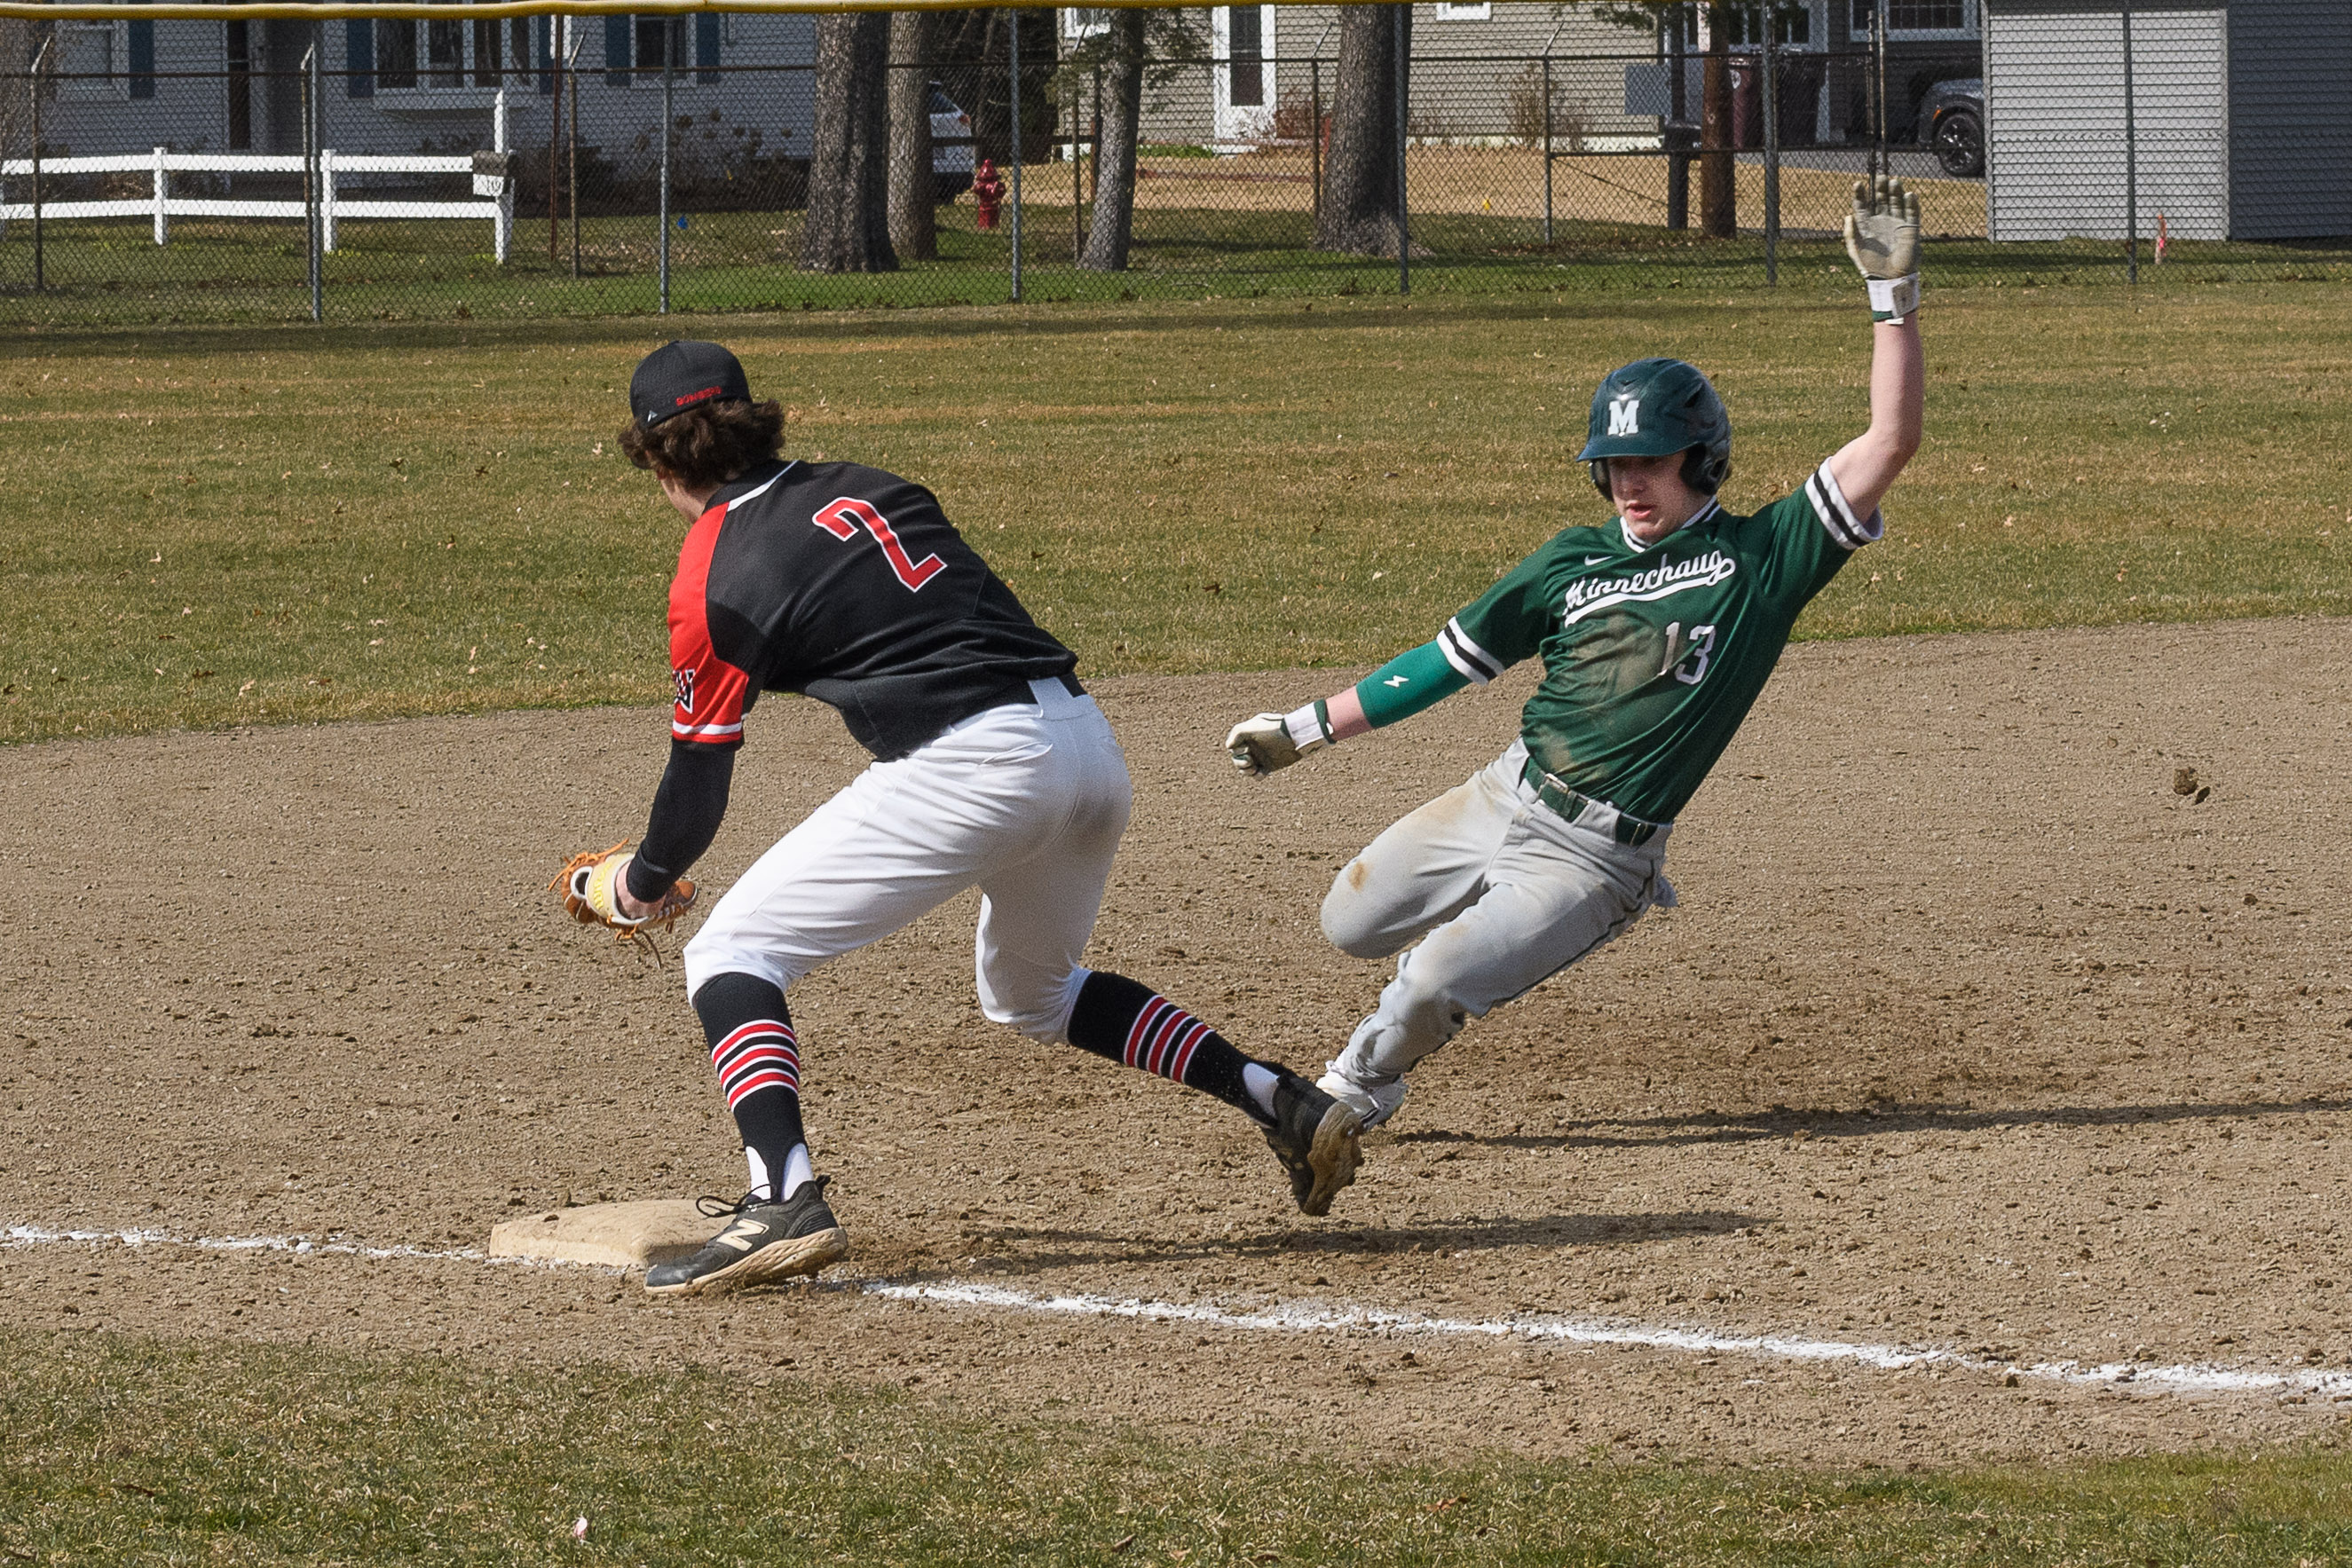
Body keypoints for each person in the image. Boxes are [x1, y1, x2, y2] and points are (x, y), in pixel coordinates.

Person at [572, 340, 1364, 1298]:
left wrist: (641, 883)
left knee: (731, 953)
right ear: (755, 419)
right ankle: (1273, 1097)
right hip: (1081, 743)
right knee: (1031, 993)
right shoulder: (873, 486)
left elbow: (699, 776)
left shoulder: (712, 572)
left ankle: (781, 1198)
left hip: (974, 764)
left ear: (657, 463)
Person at [1223, 177, 1927, 1131]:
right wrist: (1303, 730)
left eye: (1651, 461)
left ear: (1702, 461)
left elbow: (1891, 439)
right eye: (1615, 464)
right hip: (1507, 790)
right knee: (1348, 923)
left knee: (1430, 979)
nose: (1628, 482)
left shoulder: (1762, 560)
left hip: (1595, 856)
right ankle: (1483, 941)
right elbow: (1448, 658)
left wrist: (1892, 299)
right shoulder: (1572, 560)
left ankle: (1351, 1089)